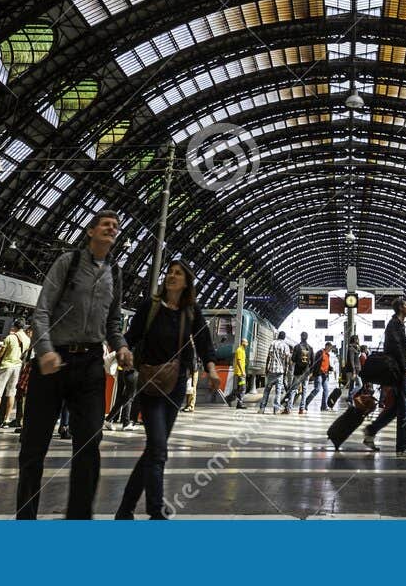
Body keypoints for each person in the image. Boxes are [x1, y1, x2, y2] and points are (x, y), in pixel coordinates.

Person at [16, 210, 131, 520]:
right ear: (90, 231)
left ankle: (79, 519)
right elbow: (41, 311)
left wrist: (120, 346)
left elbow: (114, 321)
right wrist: (45, 351)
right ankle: (25, 518)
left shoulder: (115, 274)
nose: (112, 229)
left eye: (116, 227)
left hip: (91, 362)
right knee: (33, 446)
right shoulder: (68, 263)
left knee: (90, 444)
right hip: (54, 361)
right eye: (106, 225)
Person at [116, 261, 220, 519]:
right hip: (150, 384)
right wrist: (123, 348)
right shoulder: (150, 307)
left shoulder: (191, 311)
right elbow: (132, 335)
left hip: (176, 385)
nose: (171, 277)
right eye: (169, 273)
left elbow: (205, 342)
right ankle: (156, 511)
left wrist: (212, 368)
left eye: (178, 274)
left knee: (154, 449)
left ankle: (125, 510)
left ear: (186, 282)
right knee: (159, 449)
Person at [362, 297, 406, 456]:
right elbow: (397, 349)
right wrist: (404, 369)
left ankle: (371, 430)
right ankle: (401, 448)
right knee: (404, 409)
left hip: (398, 370)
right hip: (398, 372)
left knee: (396, 408)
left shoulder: (398, 325)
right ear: (401, 307)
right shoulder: (394, 325)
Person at [0, 322, 28, 427]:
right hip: (17, 367)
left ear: (15, 327)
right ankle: (7, 419)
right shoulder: (27, 339)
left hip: (5, 366)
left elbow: (1, 353)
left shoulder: (10, 337)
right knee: (11, 393)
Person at [260, 334, 289, 413]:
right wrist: (285, 372)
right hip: (280, 372)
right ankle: (276, 409)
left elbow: (268, 357)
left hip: (271, 371)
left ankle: (262, 408)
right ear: (284, 337)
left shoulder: (272, 343)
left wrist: (266, 368)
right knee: (278, 391)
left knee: (267, 390)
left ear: (278, 336)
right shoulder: (285, 346)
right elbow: (286, 361)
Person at [303, 340, 334, 410]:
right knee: (317, 389)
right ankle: (306, 403)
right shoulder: (320, 353)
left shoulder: (328, 355)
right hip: (319, 374)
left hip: (325, 375)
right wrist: (314, 373)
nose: (330, 350)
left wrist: (330, 368)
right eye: (329, 348)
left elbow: (327, 364)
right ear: (326, 346)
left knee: (326, 390)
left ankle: (324, 406)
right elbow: (315, 363)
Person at [290, 332, 314, 414]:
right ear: (307, 338)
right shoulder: (310, 348)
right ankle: (302, 409)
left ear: (300, 337)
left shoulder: (297, 347)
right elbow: (313, 362)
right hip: (306, 373)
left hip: (297, 372)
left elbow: (293, 359)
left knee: (293, 390)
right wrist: (310, 372)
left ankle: (289, 408)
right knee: (304, 390)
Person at [226, 337, 248, 408]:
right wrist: (242, 372)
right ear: (242, 343)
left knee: (239, 389)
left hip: (241, 373)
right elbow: (238, 362)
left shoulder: (243, 350)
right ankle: (239, 403)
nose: (247, 344)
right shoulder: (239, 350)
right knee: (243, 388)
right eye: (246, 342)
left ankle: (230, 399)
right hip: (239, 373)